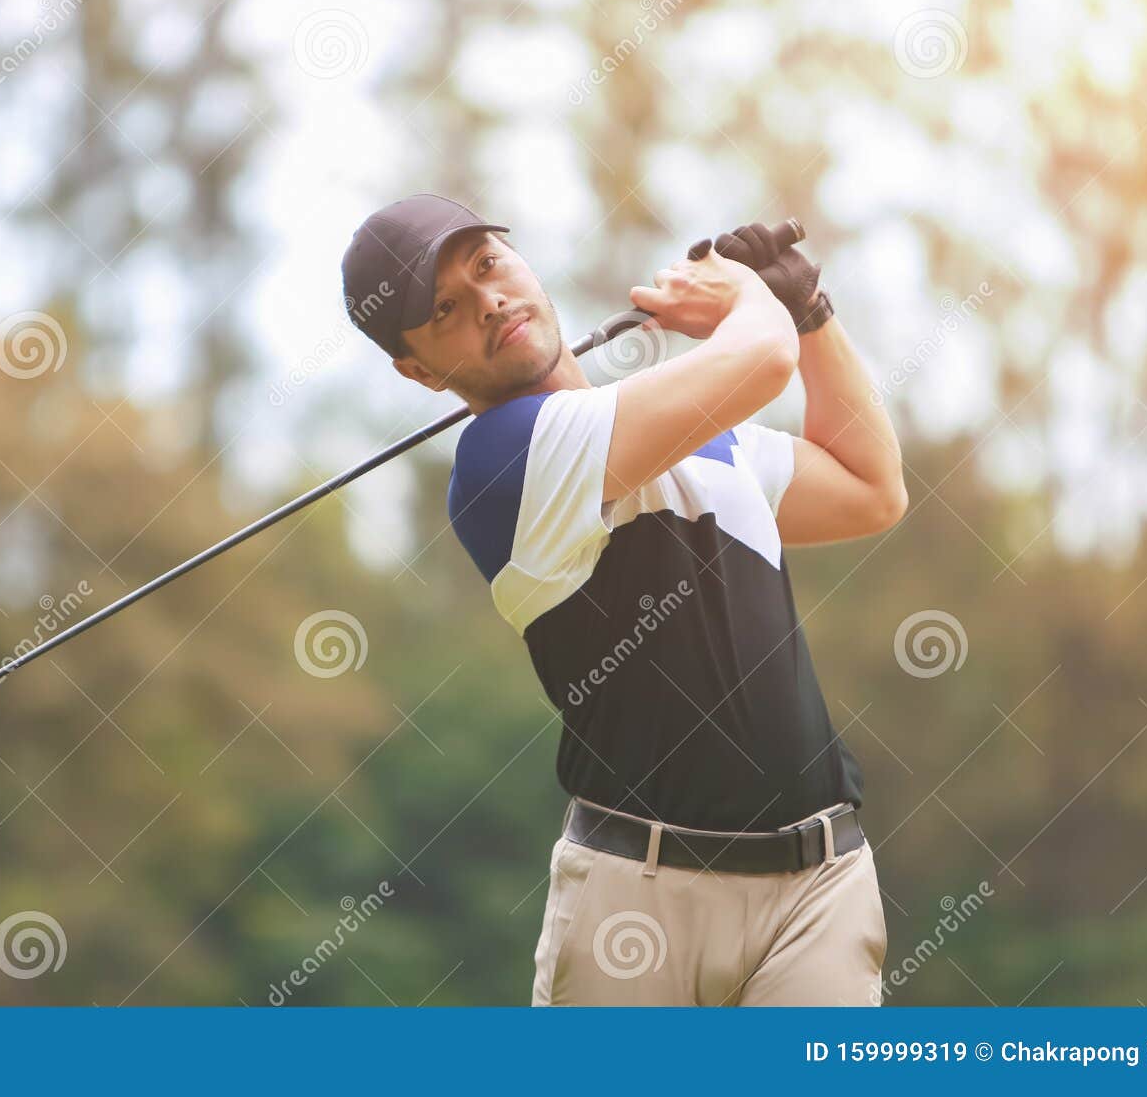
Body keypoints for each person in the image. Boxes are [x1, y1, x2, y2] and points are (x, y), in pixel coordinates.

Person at [341, 194, 907, 1005]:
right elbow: (760, 362)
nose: (489, 302)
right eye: (445, 310)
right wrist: (749, 298)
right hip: (637, 907)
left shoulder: (706, 435)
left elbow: (870, 488)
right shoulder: (501, 461)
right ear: (420, 371)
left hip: (818, 894)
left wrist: (809, 310)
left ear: (521, 259)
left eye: (489, 266)